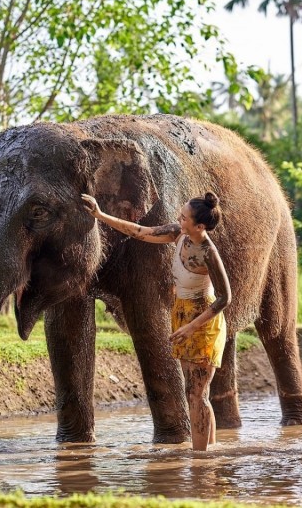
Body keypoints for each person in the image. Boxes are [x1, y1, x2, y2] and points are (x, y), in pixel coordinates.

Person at [81, 191, 231, 451]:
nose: (179, 220)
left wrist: (191, 327)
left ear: (200, 227)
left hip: (204, 323)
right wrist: (99, 215)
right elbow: (140, 232)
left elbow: (225, 298)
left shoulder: (208, 253)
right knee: (195, 393)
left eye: (184, 218)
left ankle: (200, 460)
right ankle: (210, 452)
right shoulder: (179, 234)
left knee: (196, 394)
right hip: (182, 314)